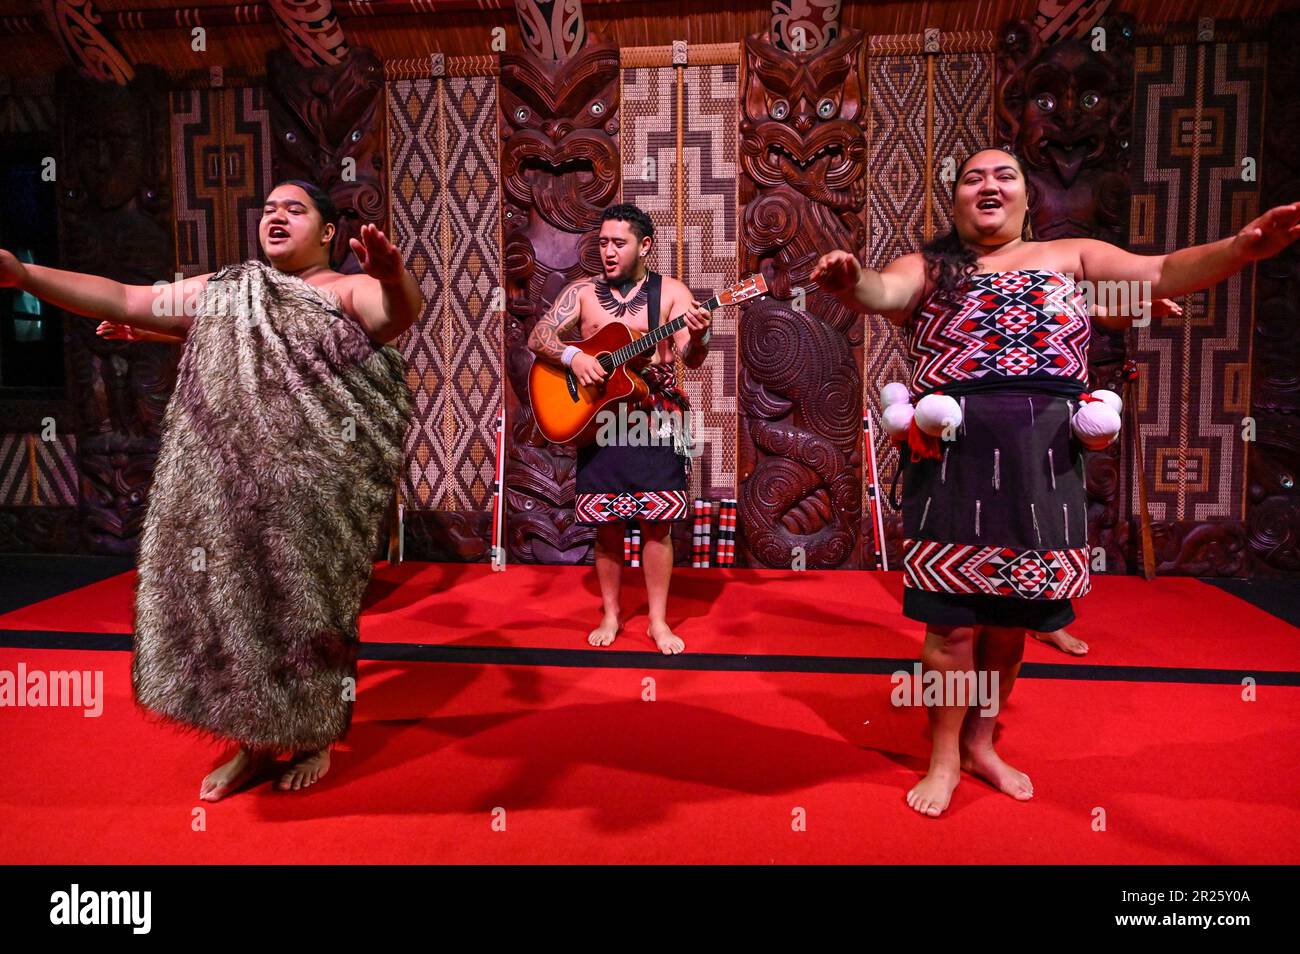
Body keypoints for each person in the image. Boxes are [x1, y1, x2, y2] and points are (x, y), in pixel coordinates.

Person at [813, 147, 1299, 817]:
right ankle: (945, 753)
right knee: (950, 629)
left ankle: (983, 742)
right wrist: (849, 280)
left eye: (1003, 175)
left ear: (1025, 196)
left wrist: (1243, 247)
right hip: (954, 452)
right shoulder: (929, 267)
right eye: (972, 177)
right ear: (955, 201)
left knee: (1012, 626)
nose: (988, 184)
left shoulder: (1073, 256)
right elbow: (881, 292)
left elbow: (1161, 271)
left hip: (1044, 455)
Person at [0, 180, 421, 800]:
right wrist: (23, 275)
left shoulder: (345, 289)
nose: (276, 216)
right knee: (240, 612)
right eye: (270, 208)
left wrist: (393, 276)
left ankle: (313, 738)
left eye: (295, 209)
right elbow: (124, 297)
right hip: (230, 489)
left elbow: (396, 315)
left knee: (311, 618)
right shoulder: (229, 290)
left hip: (313, 495)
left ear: (329, 233)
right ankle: (252, 744)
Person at [527, 203, 712, 654]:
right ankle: (610, 614)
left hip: (654, 419)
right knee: (606, 527)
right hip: (599, 420)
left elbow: (692, 357)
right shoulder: (583, 293)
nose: (607, 251)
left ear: (644, 245)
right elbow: (538, 337)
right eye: (603, 242)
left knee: (657, 524)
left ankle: (657, 621)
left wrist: (700, 334)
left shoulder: (671, 293)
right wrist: (576, 357)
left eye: (618, 243)